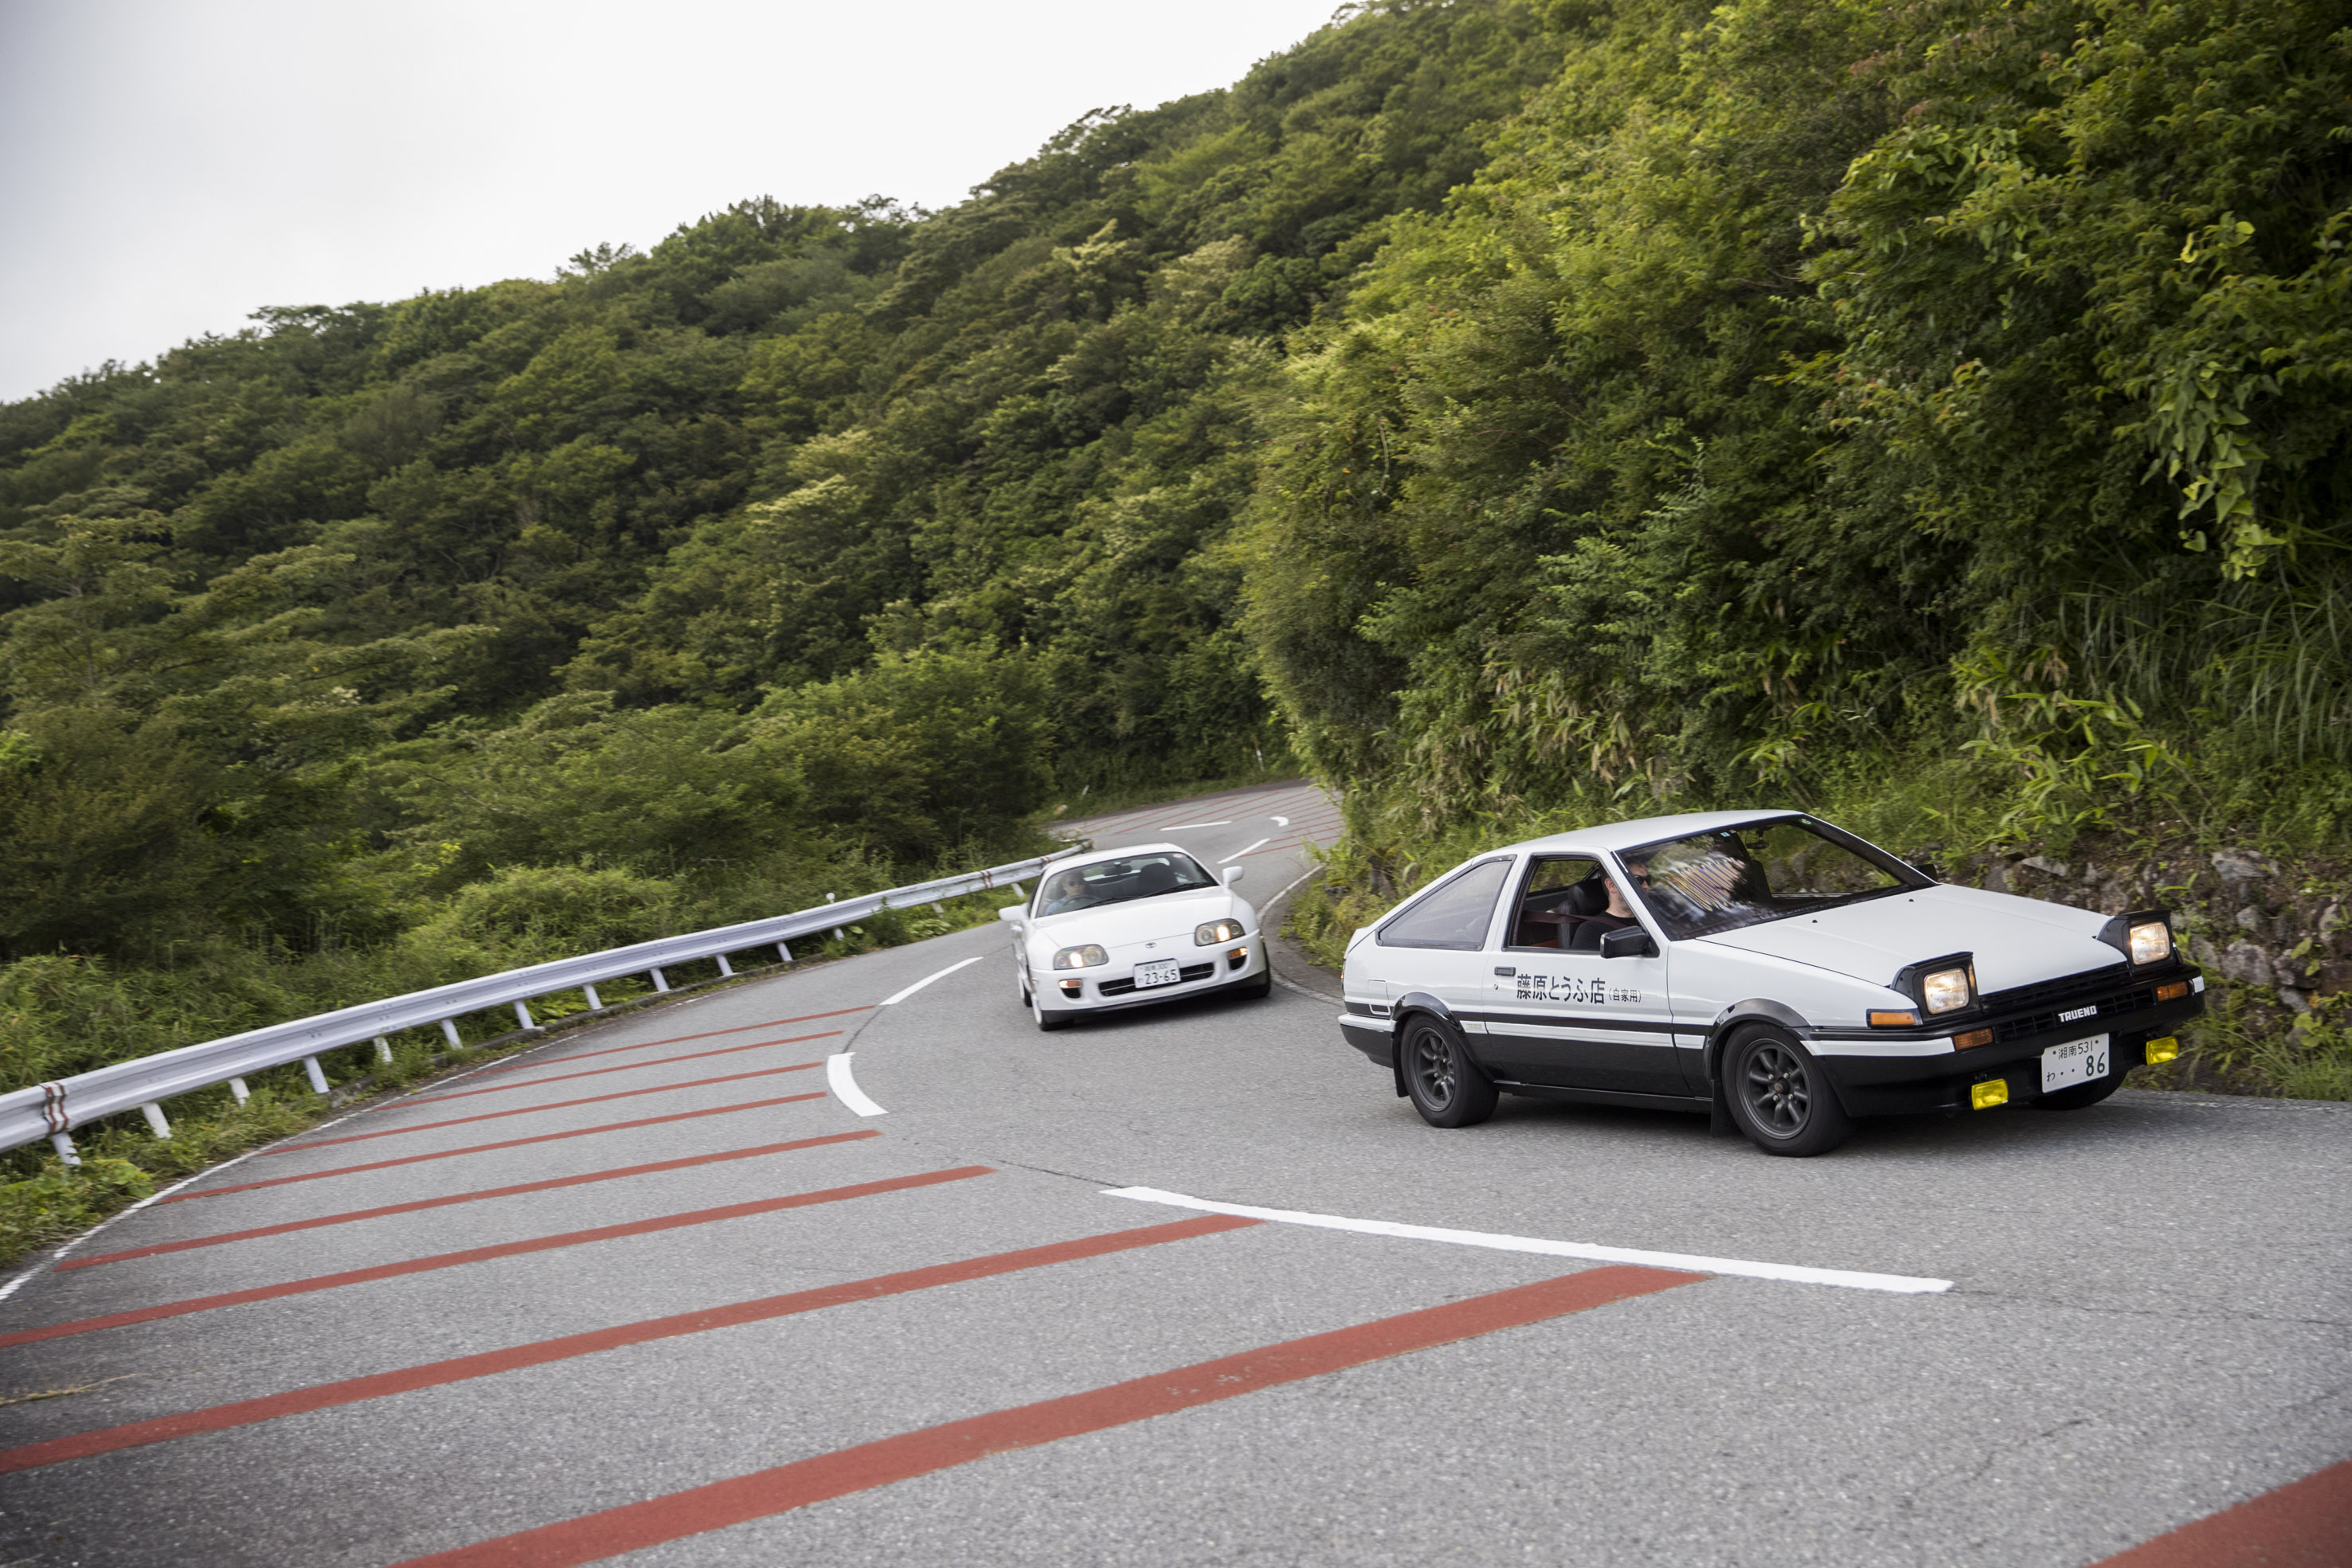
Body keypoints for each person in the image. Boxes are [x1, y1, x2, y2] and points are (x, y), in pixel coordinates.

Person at [1566, 868, 1642, 953]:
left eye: (1648, 879)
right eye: (1638, 880)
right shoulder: (1591, 930)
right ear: (1612, 885)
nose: (1646, 885)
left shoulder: (1652, 917)